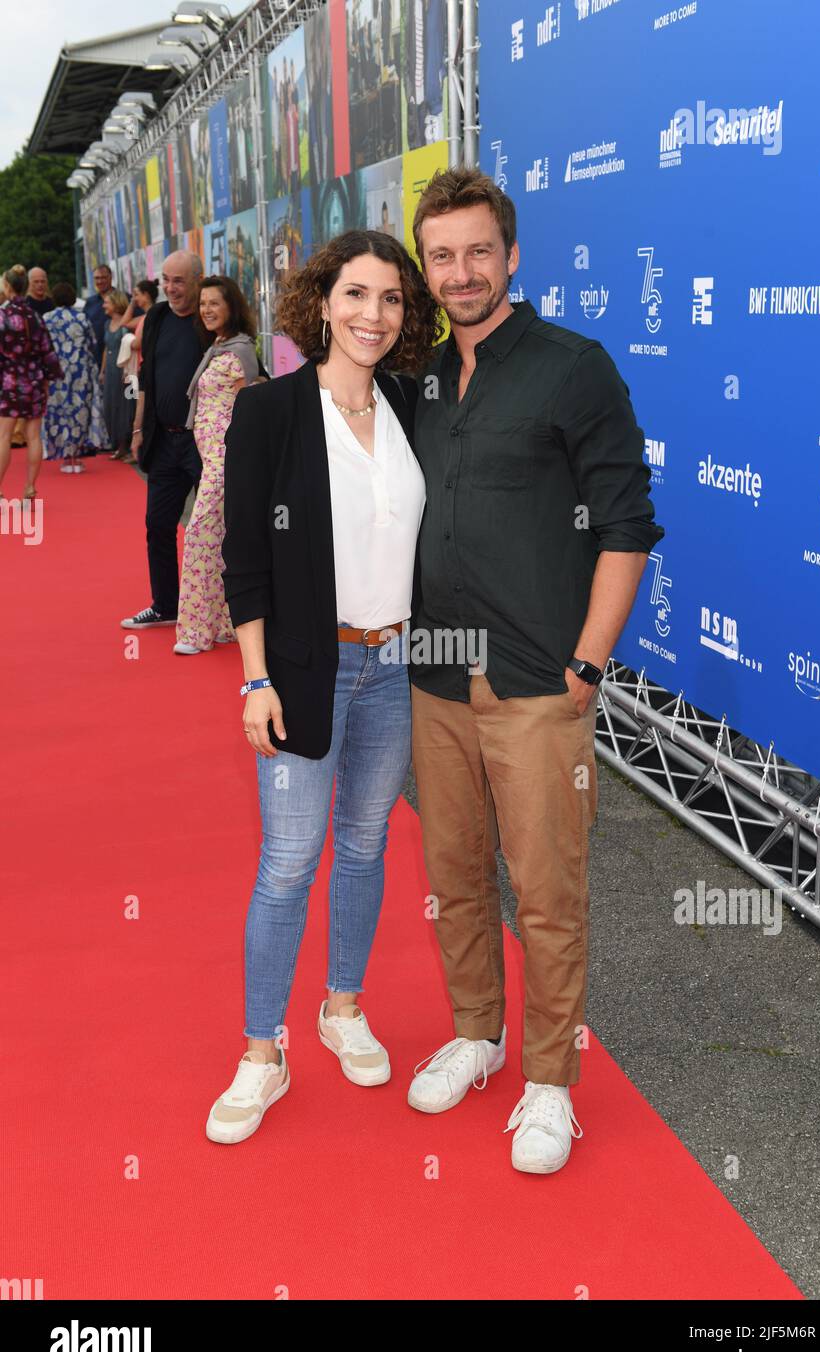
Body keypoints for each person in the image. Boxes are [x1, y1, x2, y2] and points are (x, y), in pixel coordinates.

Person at [405, 167, 665, 1174]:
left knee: (547, 891)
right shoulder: (423, 378)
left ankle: (549, 1081)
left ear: (511, 256)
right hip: (434, 672)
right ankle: (477, 1033)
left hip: (536, 684)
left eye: (477, 250)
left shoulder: (571, 366)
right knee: (452, 875)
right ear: (425, 267)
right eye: (440, 256)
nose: (459, 271)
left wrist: (587, 664)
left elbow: (625, 523)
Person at [206, 230, 440, 1145]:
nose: (372, 315)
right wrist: (254, 680)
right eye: (355, 295)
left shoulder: (414, 405)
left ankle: (343, 1007)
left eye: (390, 299)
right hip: (306, 669)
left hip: (395, 666)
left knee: (367, 842)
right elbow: (244, 560)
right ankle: (263, 1051)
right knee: (289, 859)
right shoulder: (268, 412)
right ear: (321, 302)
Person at [121, 251, 209, 630]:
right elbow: (147, 376)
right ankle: (165, 605)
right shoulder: (156, 317)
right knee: (158, 525)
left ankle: (225, 612)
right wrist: (139, 430)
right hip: (164, 439)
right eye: (165, 281)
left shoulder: (211, 316)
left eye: (179, 281)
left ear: (198, 279)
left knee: (216, 531)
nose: (170, 289)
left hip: (206, 443)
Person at [174, 277, 259, 655]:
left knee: (198, 534)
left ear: (231, 307)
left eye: (214, 303)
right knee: (220, 539)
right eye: (203, 303)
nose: (207, 310)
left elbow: (251, 406)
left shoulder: (241, 350)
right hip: (212, 459)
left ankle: (194, 632)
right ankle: (224, 623)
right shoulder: (218, 346)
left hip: (227, 459)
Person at [0, 265, 62, 502]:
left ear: (7, 286)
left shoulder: (2, 316)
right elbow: (48, 352)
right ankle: (29, 488)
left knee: (4, 436)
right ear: (25, 286)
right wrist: (49, 377)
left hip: (10, 381)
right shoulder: (35, 317)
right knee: (34, 435)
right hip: (34, 381)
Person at [42, 282, 109, 473]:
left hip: (56, 372)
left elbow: (44, 346)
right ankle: (76, 458)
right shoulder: (81, 317)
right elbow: (92, 343)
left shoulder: (47, 318)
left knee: (60, 413)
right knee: (80, 412)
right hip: (80, 370)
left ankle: (64, 457)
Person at [101, 290, 135, 460]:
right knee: (109, 406)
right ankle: (116, 443)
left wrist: (128, 371)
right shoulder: (107, 324)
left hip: (123, 370)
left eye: (106, 302)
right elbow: (106, 348)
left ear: (115, 304)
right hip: (110, 372)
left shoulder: (125, 324)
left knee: (124, 407)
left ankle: (125, 445)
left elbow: (129, 348)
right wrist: (102, 370)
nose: (103, 305)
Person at [118, 279, 158, 390]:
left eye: (136, 295)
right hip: (143, 366)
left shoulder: (150, 316)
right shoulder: (145, 317)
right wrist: (132, 303)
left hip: (146, 367)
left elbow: (136, 344)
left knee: (141, 404)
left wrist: (126, 339)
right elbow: (124, 323)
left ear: (145, 295)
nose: (134, 298)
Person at [83, 265, 112, 362]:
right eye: (97, 278)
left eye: (103, 277)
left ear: (111, 277)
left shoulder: (124, 298)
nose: (100, 281)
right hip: (96, 358)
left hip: (119, 356)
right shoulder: (90, 302)